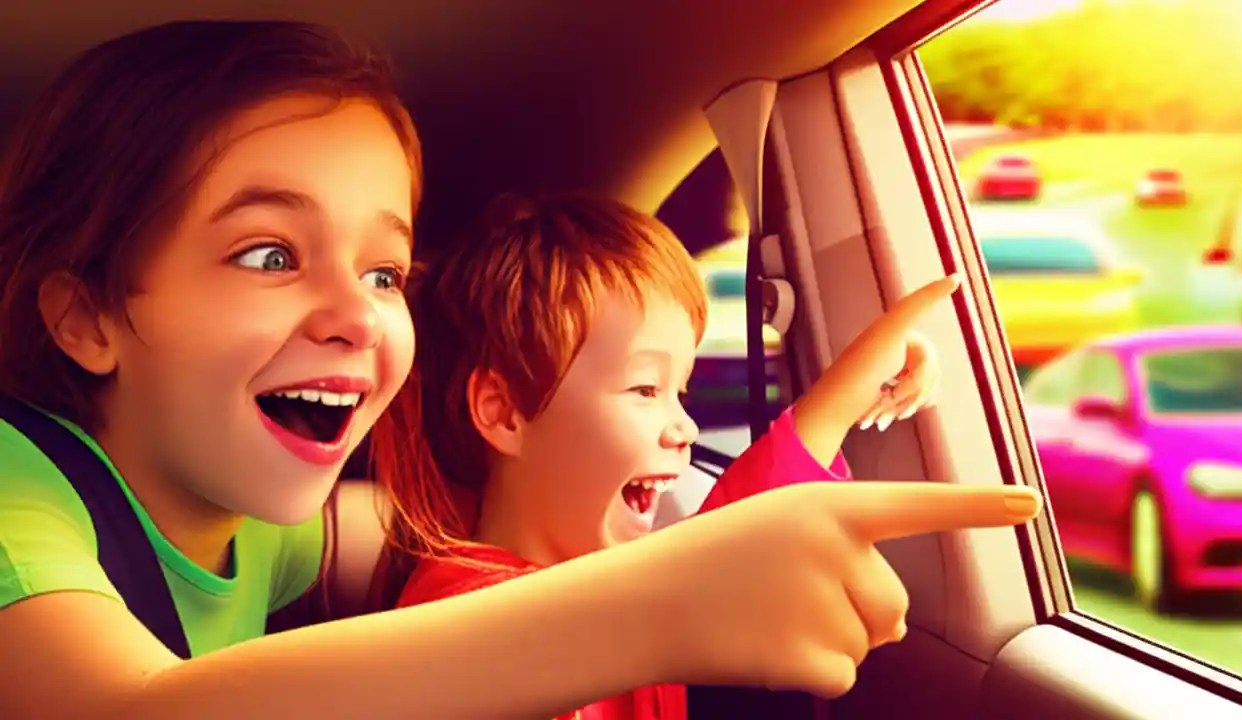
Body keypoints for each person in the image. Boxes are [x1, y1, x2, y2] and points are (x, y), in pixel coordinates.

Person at [0, 19, 1043, 719]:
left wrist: (840, 393)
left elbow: (444, 525)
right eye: (269, 255)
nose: (358, 316)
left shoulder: (262, 524)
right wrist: (655, 609)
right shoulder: (17, 504)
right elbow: (122, 710)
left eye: (383, 272)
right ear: (87, 318)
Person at [391, 192, 955, 719]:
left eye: (679, 391)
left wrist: (851, 388)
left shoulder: (612, 589)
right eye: (644, 389)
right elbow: (716, 564)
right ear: (504, 412)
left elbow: (728, 540)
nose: (686, 426)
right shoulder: (465, 627)